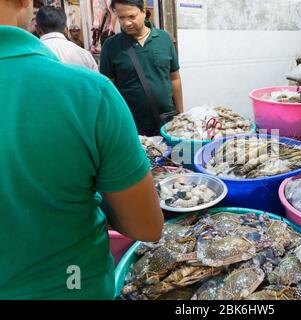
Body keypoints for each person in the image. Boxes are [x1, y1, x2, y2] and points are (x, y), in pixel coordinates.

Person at [0, 0, 163, 299]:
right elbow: (147, 226)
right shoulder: (89, 92)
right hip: (73, 286)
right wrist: (96, 193)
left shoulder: (161, 42)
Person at [100, 0, 184, 137]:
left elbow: (174, 78)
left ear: (144, 12)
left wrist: (180, 113)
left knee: (172, 157)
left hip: (168, 121)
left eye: (131, 16)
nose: (126, 23)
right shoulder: (111, 46)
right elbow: (107, 88)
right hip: (131, 125)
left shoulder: (164, 39)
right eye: (121, 17)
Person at [36, 6, 99, 71]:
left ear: (37, 29)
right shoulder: (85, 55)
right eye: (73, 31)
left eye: (77, 31)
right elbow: (98, 80)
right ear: (66, 29)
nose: (76, 33)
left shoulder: (32, 54)